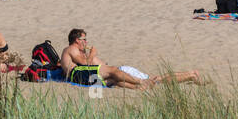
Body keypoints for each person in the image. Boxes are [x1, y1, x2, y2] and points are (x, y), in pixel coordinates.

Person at [59, 29, 198, 89]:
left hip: (110, 74)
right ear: (77, 40)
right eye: (84, 39)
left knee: (151, 80)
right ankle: (141, 82)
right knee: (152, 80)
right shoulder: (71, 48)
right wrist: (93, 54)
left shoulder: (78, 52)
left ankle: (190, 75)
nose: (86, 42)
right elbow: (85, 63)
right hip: (85, 75)